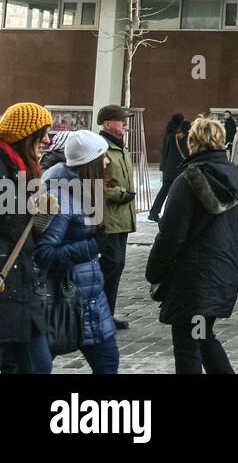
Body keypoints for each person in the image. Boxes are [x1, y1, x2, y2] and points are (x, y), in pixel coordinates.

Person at [145, 116, 238, 373]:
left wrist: (154, 271)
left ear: (192, 143)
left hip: (193, 280)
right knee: (201, 335)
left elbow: (171, 235)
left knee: (189, 346)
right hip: (222, 273)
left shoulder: (187, 181)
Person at [34, 130, 120, 374]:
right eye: (103, 156)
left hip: (92, 299)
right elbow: (43, 253)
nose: (107, 161)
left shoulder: (86, 189)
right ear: (90, 162)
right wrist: (91, 247)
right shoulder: (60, 195)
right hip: (64, 301)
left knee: (108, 364)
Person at [0, 103, 53, 373]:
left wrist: (40, 214)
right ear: (24, 136)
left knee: (36, 365)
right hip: (7, 284)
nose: (47, 140)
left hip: (20, 285)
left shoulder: (25, 170)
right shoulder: (5, 170)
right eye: (42, 133)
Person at [96, 105, 135, 330]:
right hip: (109, 219)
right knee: (108, 266)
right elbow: (95, 184)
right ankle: (99, 315)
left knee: (116, 266)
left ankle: (107, 314)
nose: (125, 125)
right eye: (121, 121)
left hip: (122, 220)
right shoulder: (101, 149)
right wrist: (120, 194)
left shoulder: (121, 148)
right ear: (107, 124)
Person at [148, 113, 188, 223]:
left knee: (164, 191)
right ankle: (163, 214)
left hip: (168, 168)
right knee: (173, 193)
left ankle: (154, 212)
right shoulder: (178, 136)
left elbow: (165, 152)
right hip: (175, 169)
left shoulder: (168, 133)